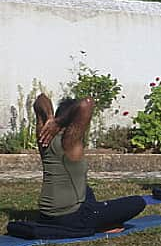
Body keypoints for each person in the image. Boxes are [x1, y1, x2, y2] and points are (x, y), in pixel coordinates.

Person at [33, 94, 146, 234]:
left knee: (87, 190)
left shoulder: (43, 137)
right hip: (71, 218)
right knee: (138, 202)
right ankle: (100, 225)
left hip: (46, 216)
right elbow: (87, 103)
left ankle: (98, 218)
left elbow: (40, 100)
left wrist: (50, 118)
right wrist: (58, 122)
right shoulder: (69, 141)